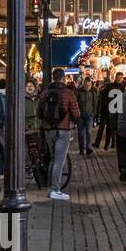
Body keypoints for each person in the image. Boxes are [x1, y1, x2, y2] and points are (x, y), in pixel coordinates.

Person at [38, 69, 81, 197]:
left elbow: (39, 112)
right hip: (63, 129)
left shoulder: (45, 93)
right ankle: (55, 190)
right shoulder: (68, 93)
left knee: (53, 158)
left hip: (48, 129)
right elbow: (76, 112)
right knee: (59, 160)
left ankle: (50, 188)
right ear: (63, 78)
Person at [77, 78, 98, 156]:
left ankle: (89, 148)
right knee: (81, 133)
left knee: (88, 132)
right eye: (86, 85)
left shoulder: (93, 92)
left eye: (89, 85)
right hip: (80, 116)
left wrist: (94, 113)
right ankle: (81, 149)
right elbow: (76, 102)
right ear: (83, 84)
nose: (87, 87)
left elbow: (95, 103)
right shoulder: (79, 92)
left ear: (91, 85)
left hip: (89, 115)